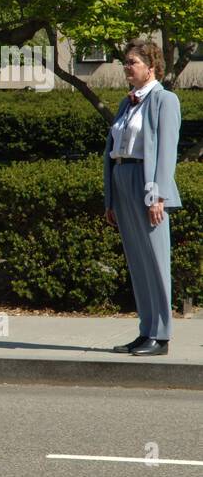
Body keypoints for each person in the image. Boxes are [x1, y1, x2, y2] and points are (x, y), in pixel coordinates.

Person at [104, 41, 181, 356]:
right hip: (123, 180)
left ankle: (161, 335)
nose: (127, 67)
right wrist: (110, 198)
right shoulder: (126, 104)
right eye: (125, 62)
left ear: (151, 67)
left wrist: (157, 196)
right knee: (137, 262)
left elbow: (166, 152)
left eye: (132, 62)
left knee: (155, 261)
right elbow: (113, 152)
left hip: (145, 183)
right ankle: (146, 330)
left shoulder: (165, 100)